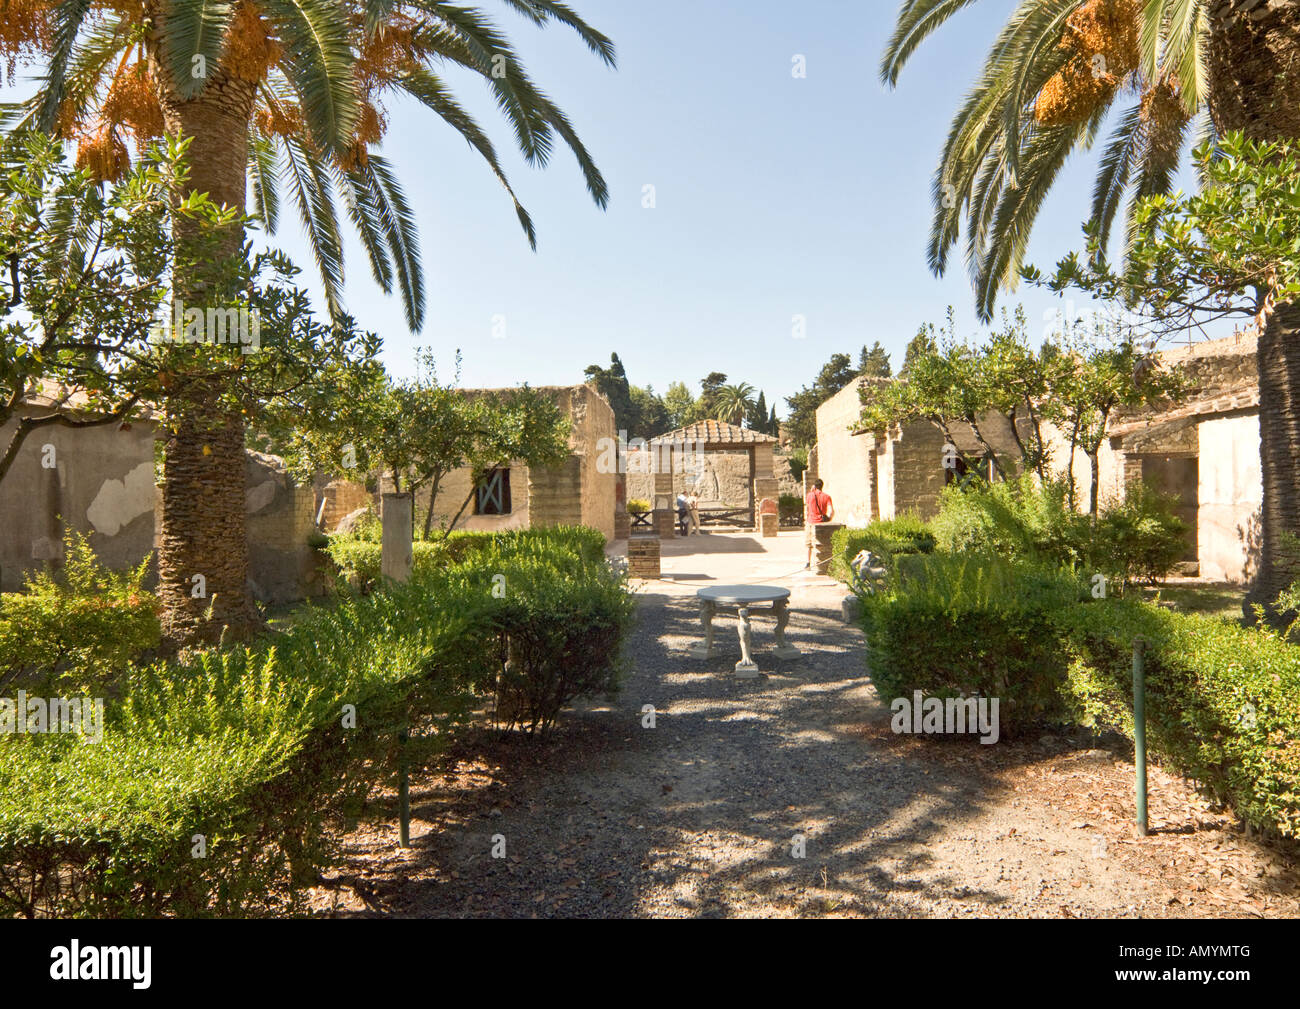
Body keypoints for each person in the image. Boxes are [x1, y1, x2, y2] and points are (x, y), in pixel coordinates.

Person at [805, 478, 834, 569]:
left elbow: (808, 507)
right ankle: (821, 564)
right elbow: (831, 511)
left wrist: (811, 490)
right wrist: (829, 518)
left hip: (811, 521)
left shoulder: (809, 495)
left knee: (809, 545)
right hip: (821, 523)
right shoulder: (827, 496)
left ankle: (808, 563)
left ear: (814, 486)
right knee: (821, 544)